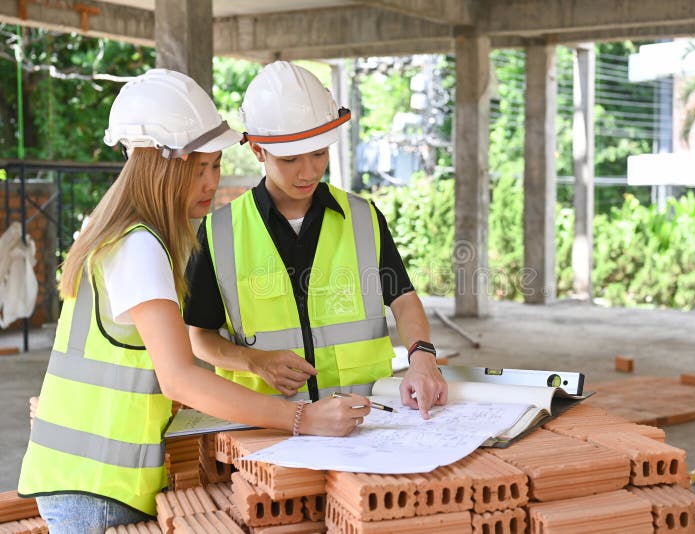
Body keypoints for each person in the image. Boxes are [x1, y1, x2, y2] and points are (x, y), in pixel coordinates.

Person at [17, 69, 370, 533]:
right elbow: (179, 377)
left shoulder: (119, 236)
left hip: (83, 480)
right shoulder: (139, 247)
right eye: (197, 167)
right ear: (160, 165)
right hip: (98, 489)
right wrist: (301, 417)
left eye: (215, 165)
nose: (210, 181)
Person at [184, 61, 448, 419]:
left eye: (319, 153)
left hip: (365, 420)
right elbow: (199, 336)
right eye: (290, 158)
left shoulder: (363, 217)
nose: (308, 172)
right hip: (268, 427)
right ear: (258, 150)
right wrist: (254, 361)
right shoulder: (220, 232)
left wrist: (422, 357)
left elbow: (402, 299)